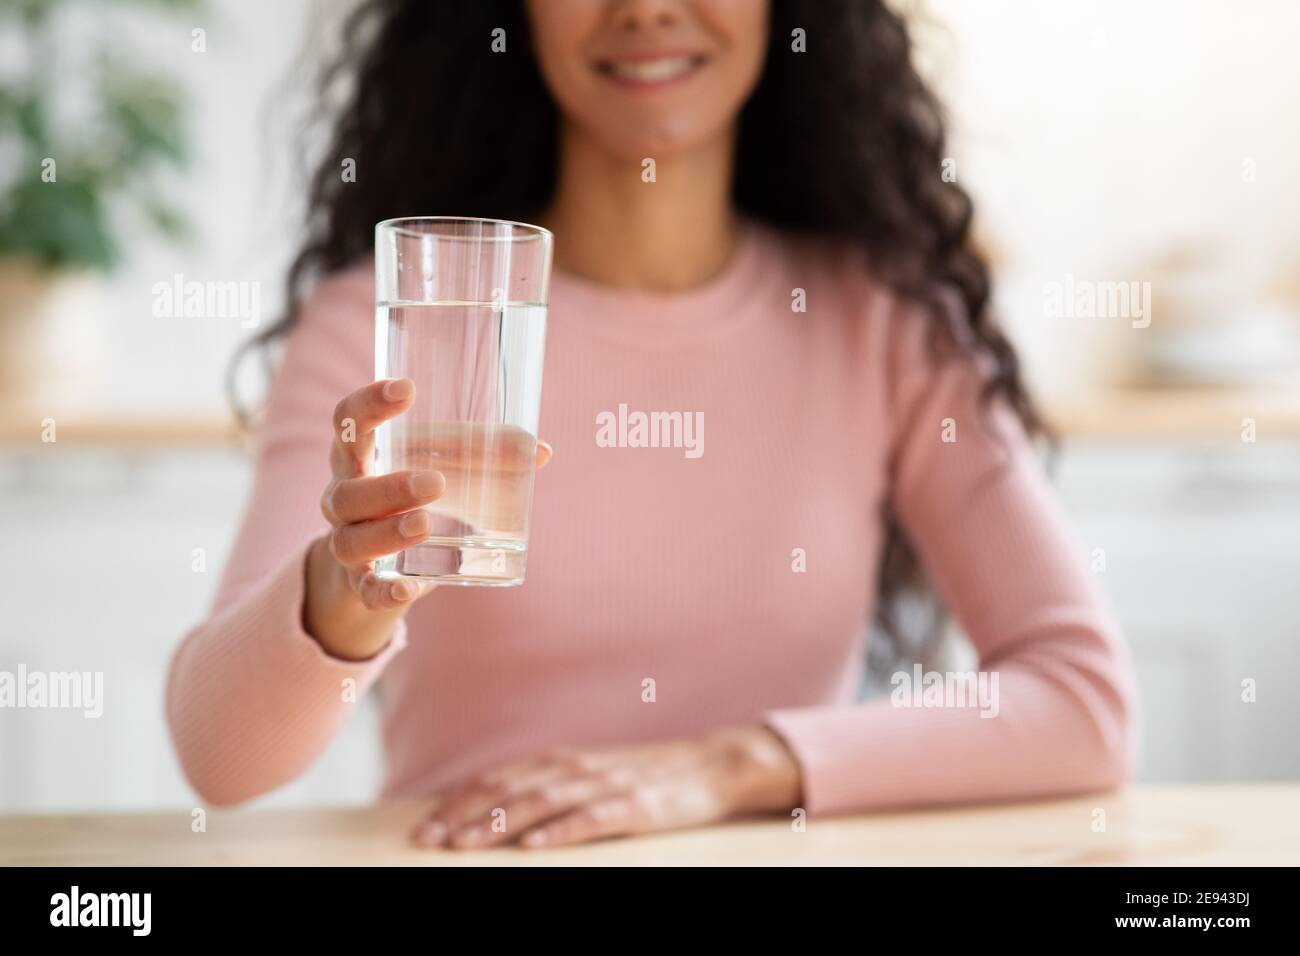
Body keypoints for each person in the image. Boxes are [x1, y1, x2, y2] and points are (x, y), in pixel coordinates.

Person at [167, 0, 1135, 851]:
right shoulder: (381, 322)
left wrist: (732, 764)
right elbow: (219, 756)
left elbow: (1082, 700)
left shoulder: (883, 320)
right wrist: (342, 593)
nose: (646, 7)